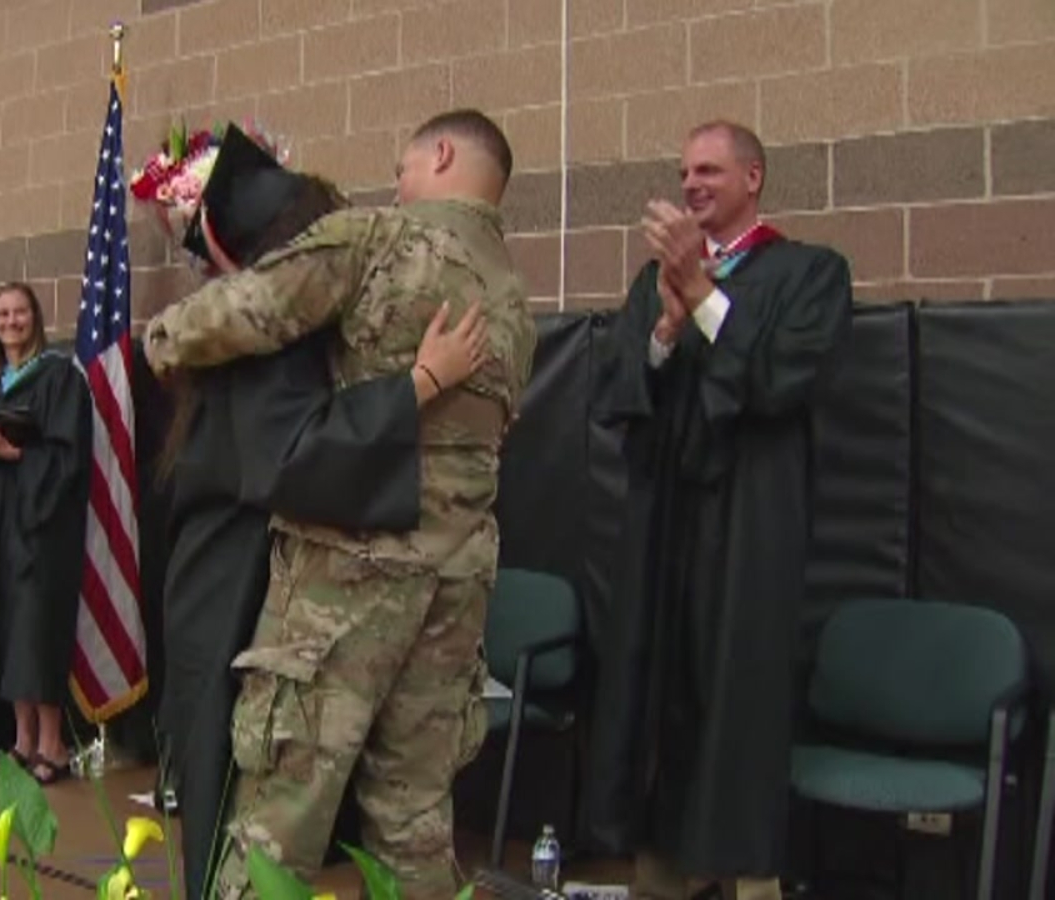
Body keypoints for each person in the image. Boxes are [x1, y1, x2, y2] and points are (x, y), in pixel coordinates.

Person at [143, 108, 537, 899]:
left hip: (348, 580)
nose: (396, 184)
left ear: (444, 154)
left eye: (402, 167)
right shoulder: (510, 296)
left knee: (280, 810)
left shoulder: (379, 240)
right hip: (456, 583)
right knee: (414, 817)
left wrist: (166, 335)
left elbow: (252, 311)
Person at [585, 120, 854, 900]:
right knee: (654, 683)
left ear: (753, 179)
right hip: (665, 519)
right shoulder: (655, 280)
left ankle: (747, 878)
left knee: (738, 689)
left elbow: (780, 383)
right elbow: (621, 393)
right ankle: (663, 873)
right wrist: (665, 334)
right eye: (684, 173)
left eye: (709, 170)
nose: (692, 183)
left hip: (750, 518)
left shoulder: (810, 273)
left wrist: (701, 296)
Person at [0, 282, 94, 786]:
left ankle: (52, 745)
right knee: (8, 628)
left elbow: (69, 455)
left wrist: (14, 455)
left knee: (37, 631)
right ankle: (22, 740)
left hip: (40, 527)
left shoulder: (59, 377)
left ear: (35, 317)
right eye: (2, 313)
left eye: (20, 312)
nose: (11, 321)